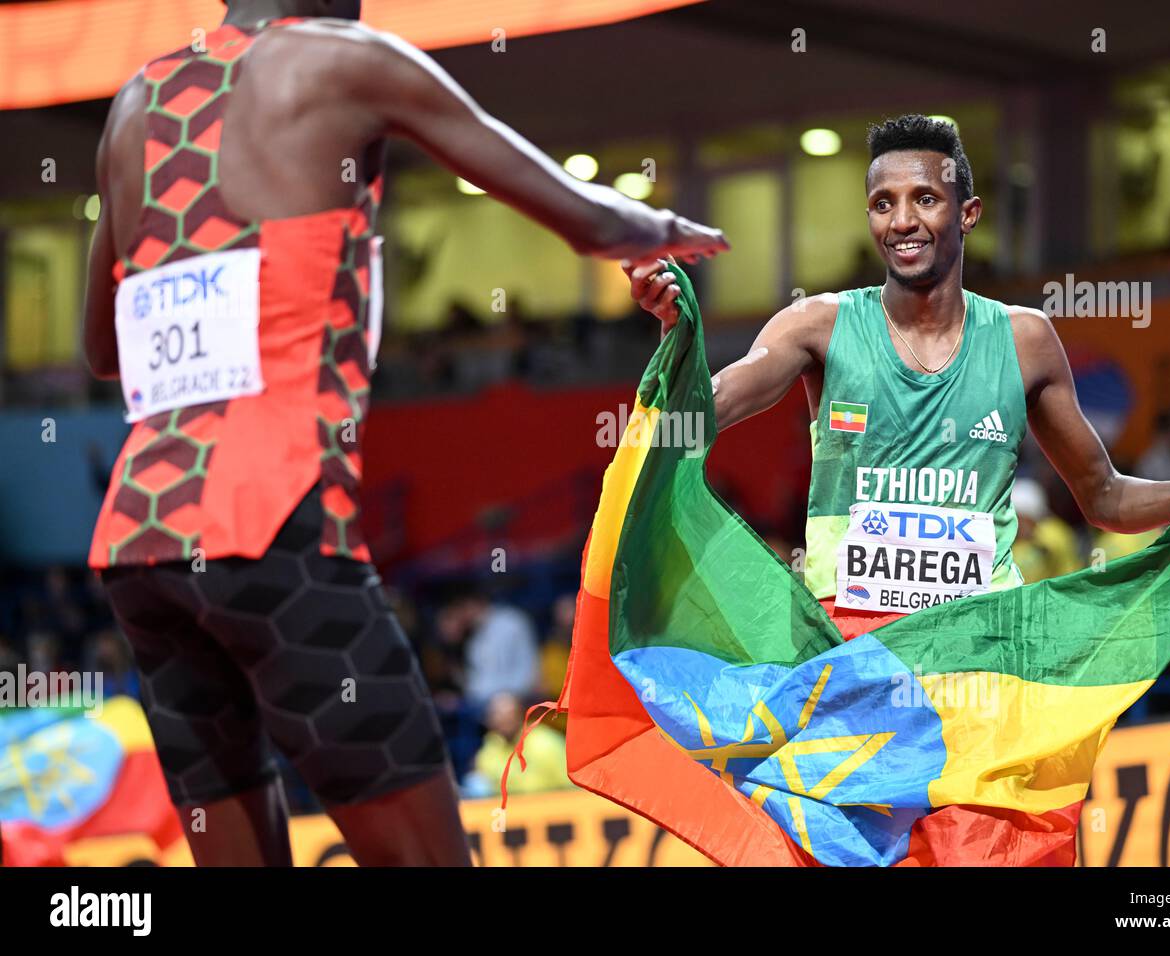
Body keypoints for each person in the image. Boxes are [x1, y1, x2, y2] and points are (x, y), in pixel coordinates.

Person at [81, 0, 727, 867]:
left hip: (141, 541)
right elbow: (584, 216)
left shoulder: (135, 103)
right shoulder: (346, 59)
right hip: (275, 524)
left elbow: (99, 349)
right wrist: (659, 231)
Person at [624, 114, 1170, 638]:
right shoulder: (816, 325)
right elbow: (702, 414)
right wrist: (675, 330)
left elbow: (1105, 497)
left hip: (977, 653)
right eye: (882, 204)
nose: (901, 220)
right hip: (848, 651)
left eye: (924, 198)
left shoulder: (1024, 339)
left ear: (968, 213)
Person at [465, 691, 572, 798]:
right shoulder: (491, 746)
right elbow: (482, 783)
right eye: (497, 715)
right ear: (489, 721)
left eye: (509, 714)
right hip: (509, 811)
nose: (503, 720)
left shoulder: (546, 742)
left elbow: (572, 787)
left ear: (521, 714)